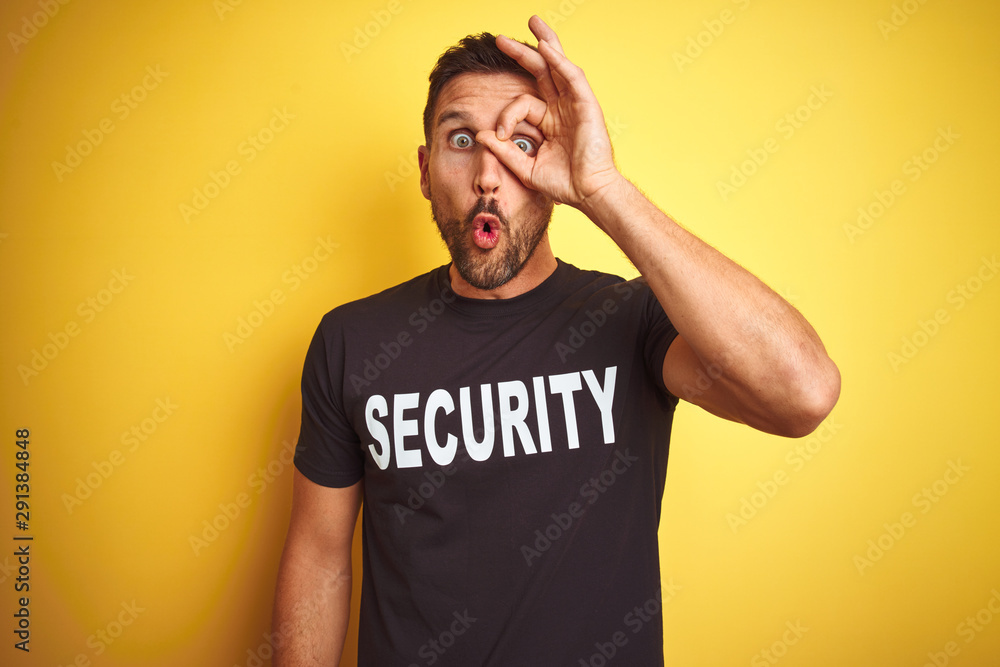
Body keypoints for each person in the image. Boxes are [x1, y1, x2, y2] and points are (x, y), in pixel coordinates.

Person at [272, 15, 840, 666]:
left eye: (522, 139)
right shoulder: (352, 339)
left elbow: (806, 391)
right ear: (427, 171)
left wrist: (604, 189)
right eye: (462, 139)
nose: (490, 175)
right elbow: (319, 556)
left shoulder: (634, 321)